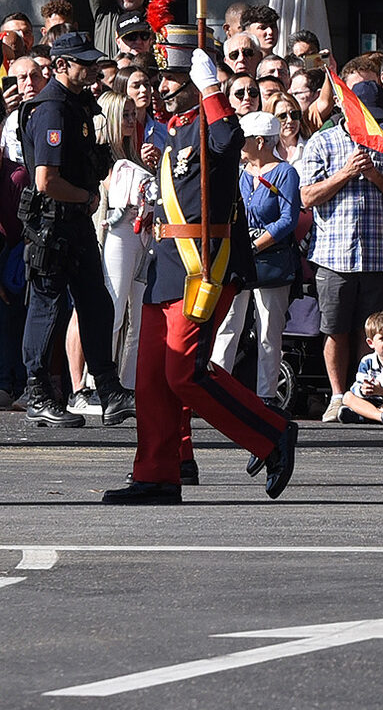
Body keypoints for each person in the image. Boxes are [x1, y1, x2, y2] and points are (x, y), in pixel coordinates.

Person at [103, 25, 298, 504]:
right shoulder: (175, 128)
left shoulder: (213, 122)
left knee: (184, 373)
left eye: (174, 78)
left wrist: (213, 86)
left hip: (203, 267)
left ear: (195, 80)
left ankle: (271, 432)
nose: (164, 86)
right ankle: (157, 474)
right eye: (163, 77)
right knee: (152, 379)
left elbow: (230, 140)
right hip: (167, 266)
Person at [17, 32, 133, 427]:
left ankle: (108, 388)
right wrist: (85, 197)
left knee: (96, 304)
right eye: (83, 63)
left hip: (75, 223)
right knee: (47, 308)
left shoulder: (77, 104)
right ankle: (37, 393)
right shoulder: (51, 109)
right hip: (53, 225)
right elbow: (46, 180)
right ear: (62, 65)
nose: (92, 69)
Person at [296, 65, 383, 423]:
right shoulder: (322, 142)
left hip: (376, 255)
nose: (371, 124)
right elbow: (307, 196)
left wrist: (375, 175)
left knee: (373, 331)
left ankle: (365, 396)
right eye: (365, 117)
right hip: (334, 256)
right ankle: (337, 395)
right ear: (347, 111)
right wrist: (345, 173)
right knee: (335, 330)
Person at [210, 110, 303, 406]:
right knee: (228, 323)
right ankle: (217, 390)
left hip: (270, 260)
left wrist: (255, 245)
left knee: (268, 330)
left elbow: (288, 219)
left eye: (244, 139)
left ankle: (266, 396)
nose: (239, 144)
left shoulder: (286, 173)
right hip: (239, 257)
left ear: (260, 141)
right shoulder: (239, 173)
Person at [95, 89, 157, 396]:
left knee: (139, 317)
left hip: (141, 235)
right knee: (115, 310)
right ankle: (99, 384)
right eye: (125, 115)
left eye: (133, 114)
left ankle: (128, 384)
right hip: (115, 233)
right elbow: (113, 192)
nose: (132, 120)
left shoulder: (132, 155)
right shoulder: (102, 156)